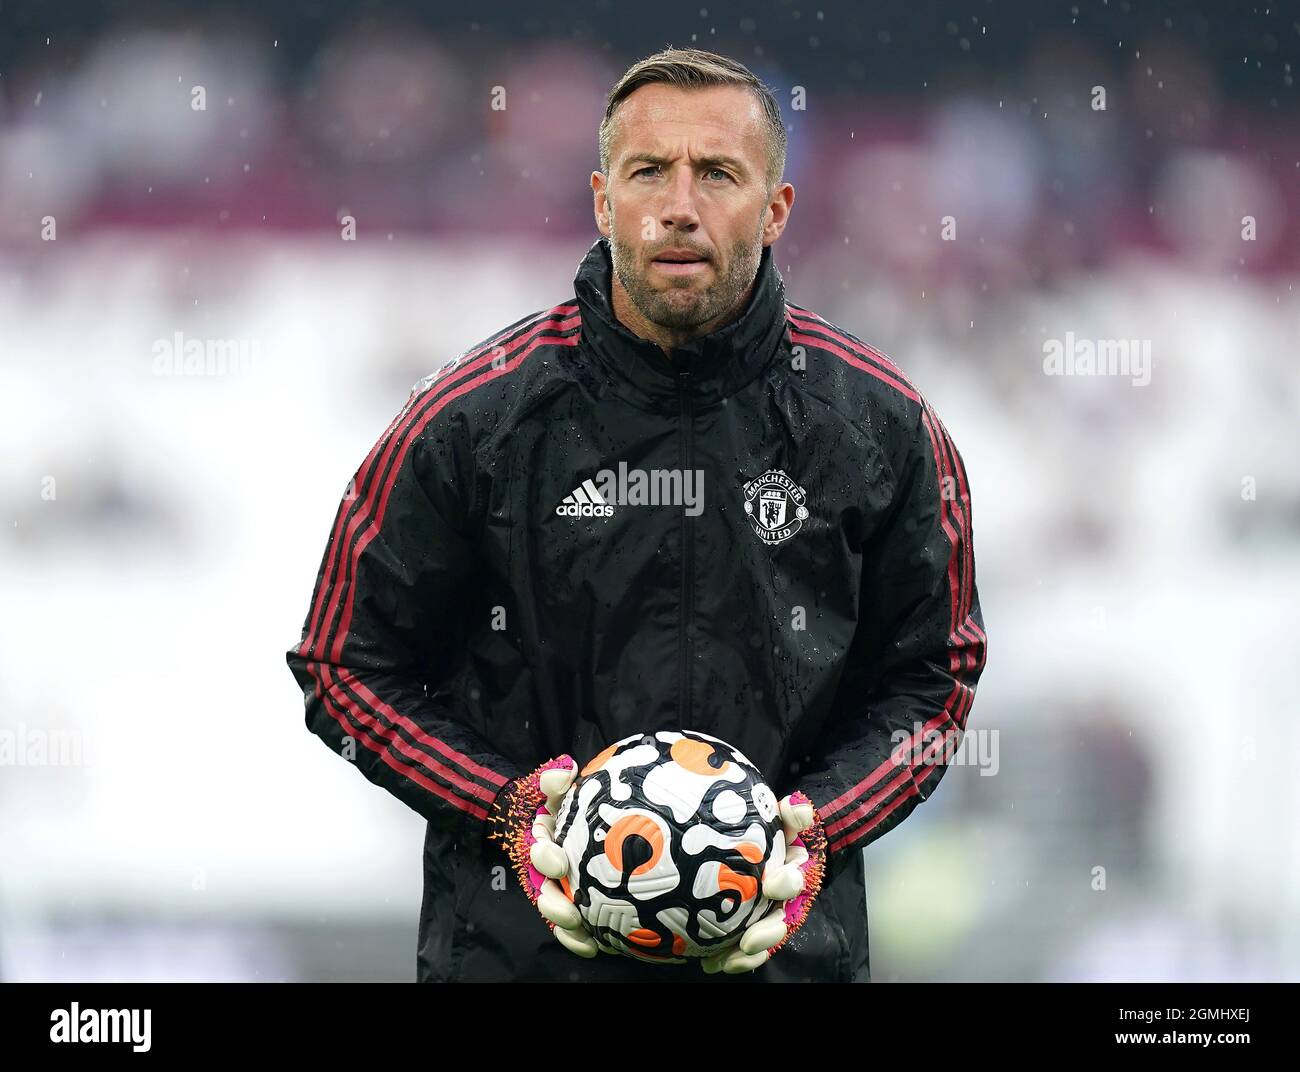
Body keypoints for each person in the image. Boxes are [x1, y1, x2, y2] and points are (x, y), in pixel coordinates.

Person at [285, 46, 987, 983]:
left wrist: (816, 828)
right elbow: (343, 663)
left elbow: (935, 677)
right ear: (602, 199)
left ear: (776, 209)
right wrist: (509, 810)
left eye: (719, 174)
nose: (680, 204)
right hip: (517, 964)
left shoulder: (879, 427)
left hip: (785, 964)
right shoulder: (472, 422)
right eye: (649, 170)